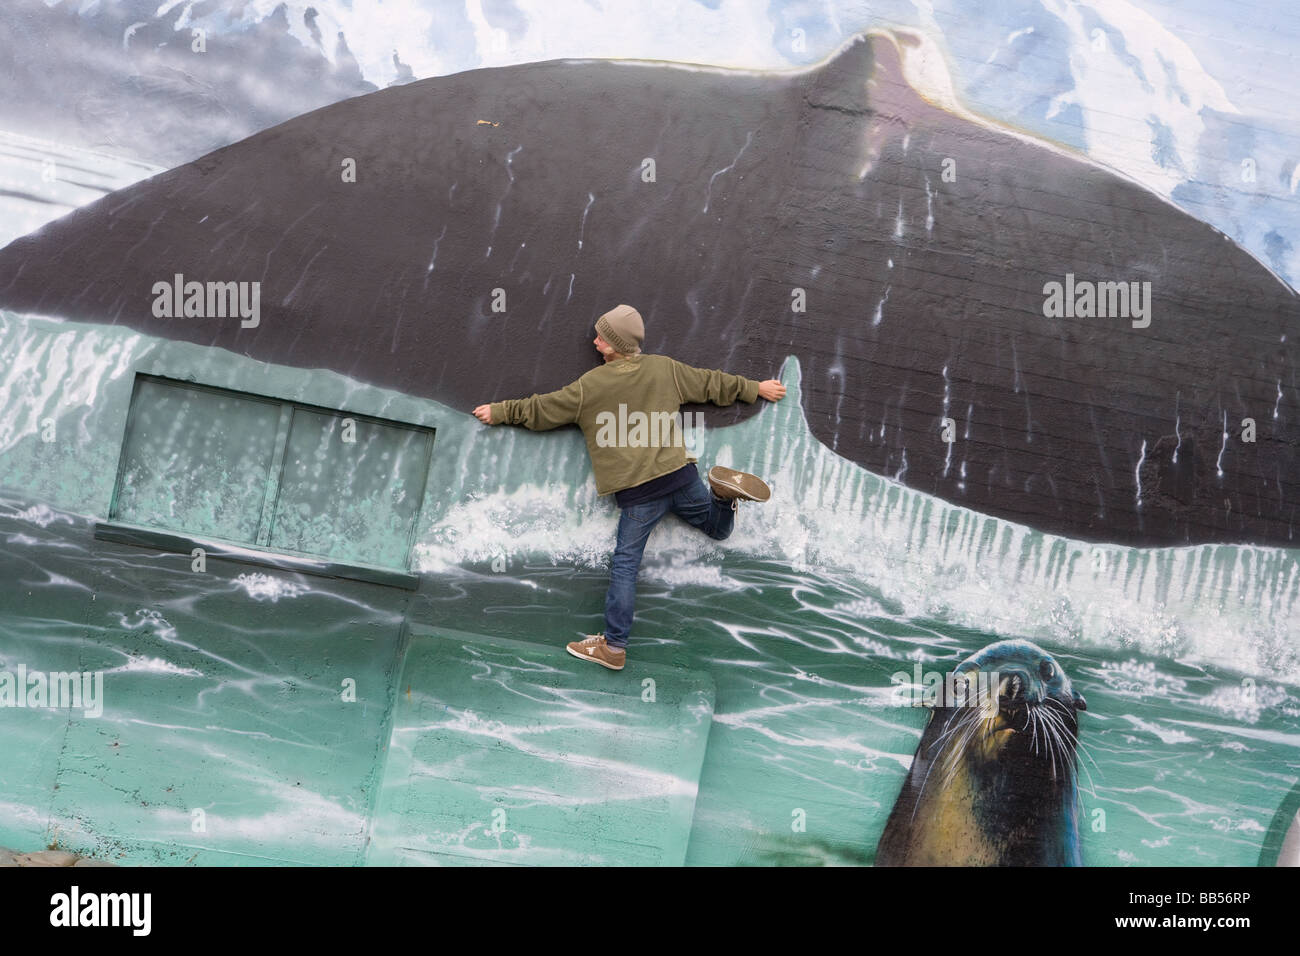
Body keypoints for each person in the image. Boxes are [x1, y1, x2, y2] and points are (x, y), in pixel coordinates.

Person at [473, 303, 786, 670]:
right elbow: (711, 384)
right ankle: (722, 494)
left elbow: (544, 409)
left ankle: (614, 648)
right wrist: (756, 388)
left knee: (625, 565)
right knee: (717, 531)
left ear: (615, 345)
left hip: (641, 497)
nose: (594, 341)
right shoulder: (664, 368)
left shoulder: (591, 387)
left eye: (601, 338)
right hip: (682, 478)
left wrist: (501, 412)